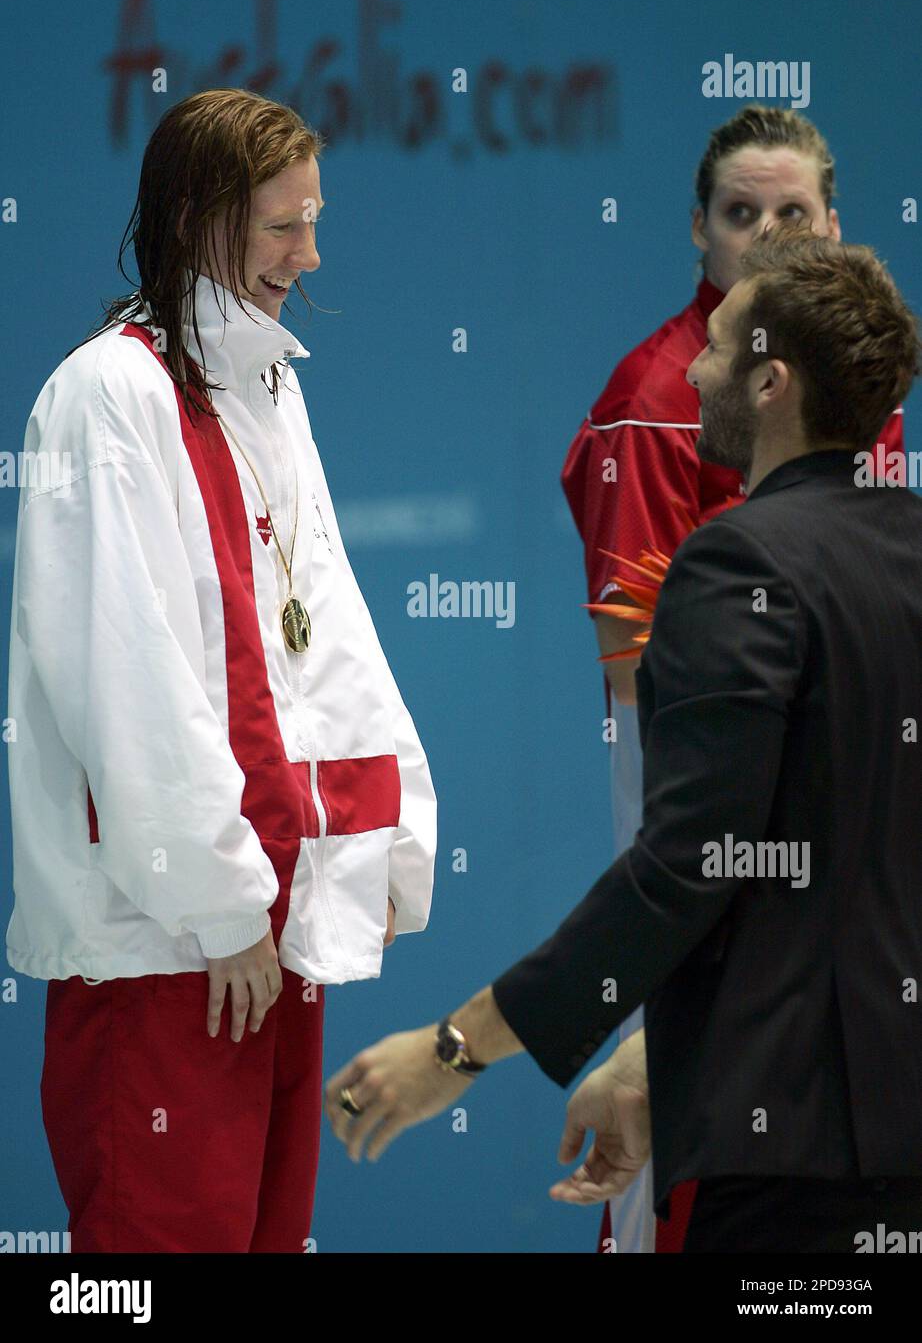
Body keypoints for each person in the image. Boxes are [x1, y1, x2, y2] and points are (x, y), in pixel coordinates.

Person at [324, 222, 922, 1254]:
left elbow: (689, 863)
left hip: (787, 1164)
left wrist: (458, 1044)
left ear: (771, 382)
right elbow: (820, 877)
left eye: (720, 344)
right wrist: (648, 1064)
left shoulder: (735, 561)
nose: (691, 368)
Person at [6, 87, 436, 1253]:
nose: (310, 254)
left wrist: (381, 840)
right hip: (165, 944)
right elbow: (123, 674)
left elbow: (324, 620)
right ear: (199, 218)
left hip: (264, 929)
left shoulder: (267, 388)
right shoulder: (107, 396)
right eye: (282, 226)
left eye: (315, 219)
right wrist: (220, 900)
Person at [560, 104, 905, 1252]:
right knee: (687, 1168)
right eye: (737, 214)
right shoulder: (659, 402)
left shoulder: (848, 379)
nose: (764, 236)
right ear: (697, 231)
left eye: (790, 213)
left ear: (833, 225)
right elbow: (638, 696)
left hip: (848, 866)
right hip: (714, 840)